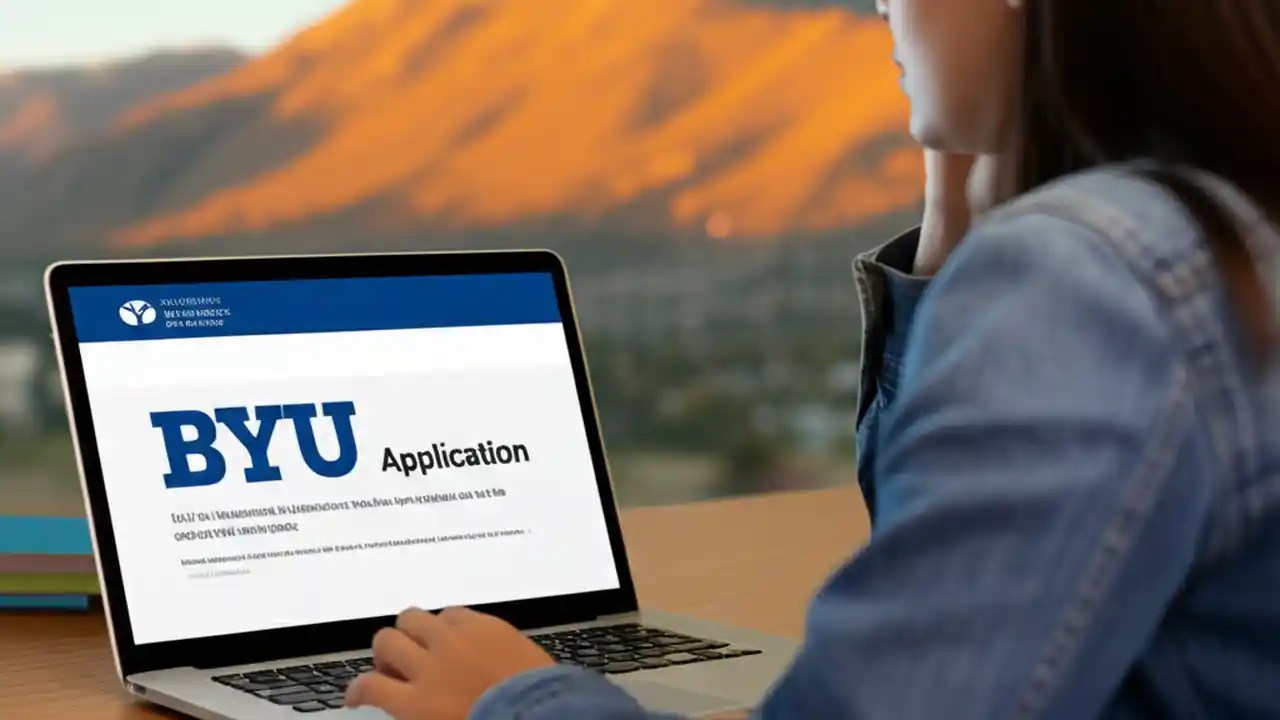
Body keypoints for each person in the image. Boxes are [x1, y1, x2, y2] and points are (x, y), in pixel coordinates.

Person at [343, 0, 1280, 717]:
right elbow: (946, 578)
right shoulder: (1221, 234)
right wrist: (958, 212)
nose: (880, 6)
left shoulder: (1092, 285)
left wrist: (512, 698)